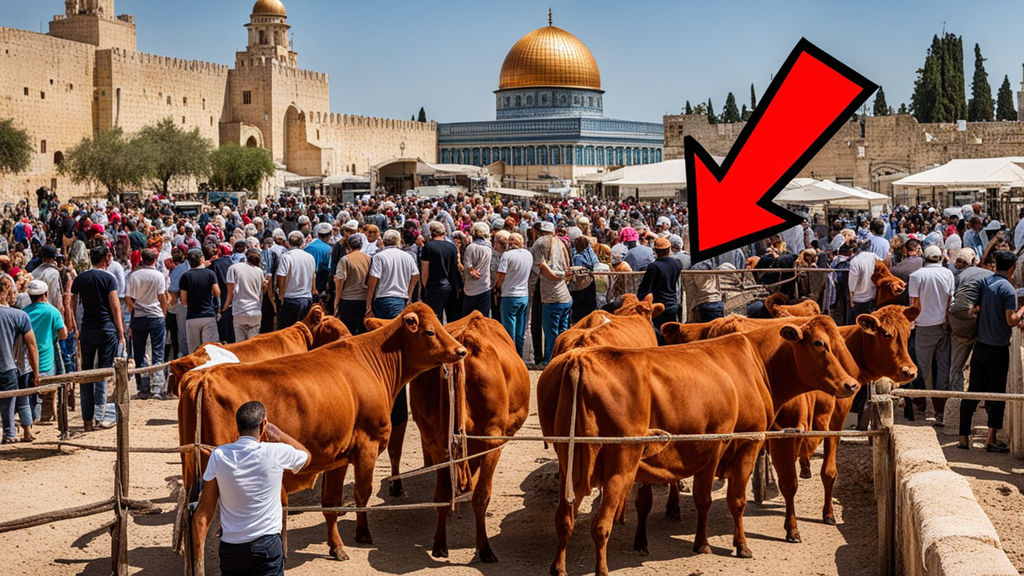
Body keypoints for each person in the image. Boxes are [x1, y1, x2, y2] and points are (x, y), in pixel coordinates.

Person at [191, 401, 310, 576]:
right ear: (264, 425)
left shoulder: (219, 455)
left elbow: (204, 511)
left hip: (231, 548)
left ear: (238, 426)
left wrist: (198, 563)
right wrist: (278, 434)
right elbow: (307, 457)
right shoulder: (276, 452)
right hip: (266, 544)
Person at [364, 229, 419, 489]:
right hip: (400, 301)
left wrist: (369, 303)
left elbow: (373, 281)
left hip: (384, 301)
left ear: (384, 242)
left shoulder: (380, 256)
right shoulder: (407, 256)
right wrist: (408, 293)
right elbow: (415, 276)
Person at [958, 251, 1024, 452]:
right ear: (1012, 268)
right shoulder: (1008, 289)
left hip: (981, 345)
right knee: (996, 394)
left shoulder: (986, 283)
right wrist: (1022, 311)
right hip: (998, 349)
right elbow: (1010, 320)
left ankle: (963, 437)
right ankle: (991, 439)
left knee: (973, 391)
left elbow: (976, 308)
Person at [70, 245, 123, 431]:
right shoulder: (109, 278)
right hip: (106, 329)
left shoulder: (80, 278)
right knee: (102, 373)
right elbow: (115, 306)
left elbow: (72, 304)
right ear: (106, 258)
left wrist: (76, 326)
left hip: (87, 330)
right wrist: (121, 331)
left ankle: (87, 420)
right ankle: (100, 416)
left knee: (86, 374)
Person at [908, 245, 954, 424]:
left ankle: (920, 404)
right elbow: (950, 299)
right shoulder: (948, 274)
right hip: (943, 325)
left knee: (921, 367)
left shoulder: (916, 275)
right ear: (940, 258)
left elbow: (914, 303)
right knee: (943, 368)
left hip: (924, 326)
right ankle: (940, 410)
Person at [20, 280, 65, 436]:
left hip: (26, 361)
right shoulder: (52, 311)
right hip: (46, 359)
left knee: (29, 392)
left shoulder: (23, 312)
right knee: (50, 388)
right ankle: (49, 413)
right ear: (45, 294)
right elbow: (63, 334)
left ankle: (32, 418)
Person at [0, 275, 39, 443]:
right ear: (7, 290)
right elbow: (32, 346)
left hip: (10, 367)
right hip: (9, 367)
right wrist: (36, 372)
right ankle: (9, 433)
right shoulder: (19, 316)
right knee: (9, 404)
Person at [125, 249, 167, 398]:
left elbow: (128, 298)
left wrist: (134, 310)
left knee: (140, 352)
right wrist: (163, 313)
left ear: (142, 259)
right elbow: (162, 297)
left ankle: (143, 387)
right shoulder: (159, 276)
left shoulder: (134, 275)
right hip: (156, 316)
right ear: (155, 260)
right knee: (158, 353)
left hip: (139, 316)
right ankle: (157, 388)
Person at [531, 221, 572, 366]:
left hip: (551, 295)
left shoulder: (540, 243)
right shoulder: (561, 242)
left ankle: (549, 360)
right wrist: (563, 277)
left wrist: (555, 276)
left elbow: (542, 266)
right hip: (565, 295)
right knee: (563, 331)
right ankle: (562, 358)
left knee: (551, 332)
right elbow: (567, 265)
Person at [638, 236, 684, 343]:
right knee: (671, 336)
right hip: (673, 305)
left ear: (656, 251)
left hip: (659, 308)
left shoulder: (653, 267)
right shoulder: (677, 264)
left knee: (659, 337)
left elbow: (645, 288)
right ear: (669, 250)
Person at [495, 232, 532, 357]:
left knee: (509, 330)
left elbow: (501, 275)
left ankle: (510, 356)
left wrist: (497, 287)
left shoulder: (507, 255)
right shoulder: (528, 254)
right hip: (523, 294)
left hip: (509, 294)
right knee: (520, 330)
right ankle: (519, 355)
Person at [180, 248, 220, 353]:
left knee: (194, 351)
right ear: (202, 259)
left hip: (192, 316)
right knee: (210, 350)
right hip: (208, 315)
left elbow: (184, 300)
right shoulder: (210, 274)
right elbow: (217, 292)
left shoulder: (185, 276)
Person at [419, 221, 461, 323]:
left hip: (434, 287)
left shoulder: (428, 247)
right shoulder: (452, 247)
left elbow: (425, 272)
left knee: (435, 320)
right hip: (450, 286)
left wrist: (426, 287)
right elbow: (455, 269)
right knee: (452, 319)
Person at [224, 249, 267, 343]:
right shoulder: (259, 271)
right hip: (255, 311)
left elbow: (231, 290)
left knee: (240, 342)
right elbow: (262, 290)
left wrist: (225, 305)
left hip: (240, 310)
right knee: (252, 343)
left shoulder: (234, 268)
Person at [276, 230, 315, 329]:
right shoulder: (310, 257)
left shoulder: (286, 257)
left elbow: (281, 276)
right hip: (306, 299)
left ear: (289, 242)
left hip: (290, 299)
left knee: (286, 331)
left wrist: (281, 295)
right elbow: (313, 276)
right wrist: (313, 291)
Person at [333, 235, 370, 335]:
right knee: (362, 332)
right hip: (363, 299)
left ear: (348, 246)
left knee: (348, 331)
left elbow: (340, 280)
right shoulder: (368, 259)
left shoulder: (345, 259)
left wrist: (336, 300)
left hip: (348, 299)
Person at [461, 222, 492, 316]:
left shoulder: (471, 247)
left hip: (471, 288)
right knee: (483, 317)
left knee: (468, 317)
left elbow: (467, 263)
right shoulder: (488, 248)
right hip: (485, 286)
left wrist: (471, 270)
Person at [847, 243, 881, 318]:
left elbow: (852, 285)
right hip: (872, 297)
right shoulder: (874, 257)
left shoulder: (855, 261)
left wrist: (851, 300)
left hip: (859, 299)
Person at [305, 222, 333, 303]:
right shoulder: (329, 249)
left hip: (307, 280)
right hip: (320, 281)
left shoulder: (308, 247)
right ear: (329, 236)